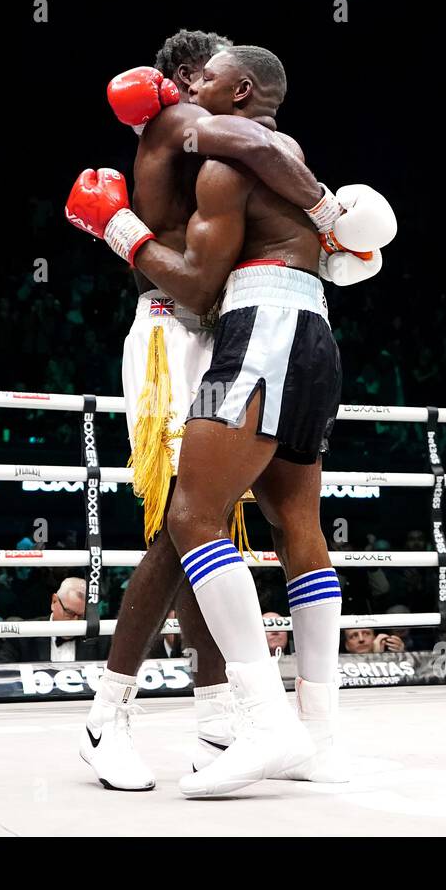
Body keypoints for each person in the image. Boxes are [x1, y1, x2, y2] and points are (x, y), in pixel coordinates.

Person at [68, 44, 395, 796]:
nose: (194, 94)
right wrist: (328, 216)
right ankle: (156, 718)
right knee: (198, 521)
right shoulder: (186, 126)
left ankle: (241, 719)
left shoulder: (238, 137)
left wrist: (115, 225)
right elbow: (250, 156)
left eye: (210, 81)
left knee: (206, 521)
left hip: (244, 325)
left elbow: (252, 153)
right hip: (199, 328)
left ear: (230, 88)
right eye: (196, 77)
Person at [0, 578, 112, 664]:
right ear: (54, 602)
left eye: (82, 616)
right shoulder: (24, 634)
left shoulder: (102, 640)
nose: (75, 621)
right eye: (69, 613)